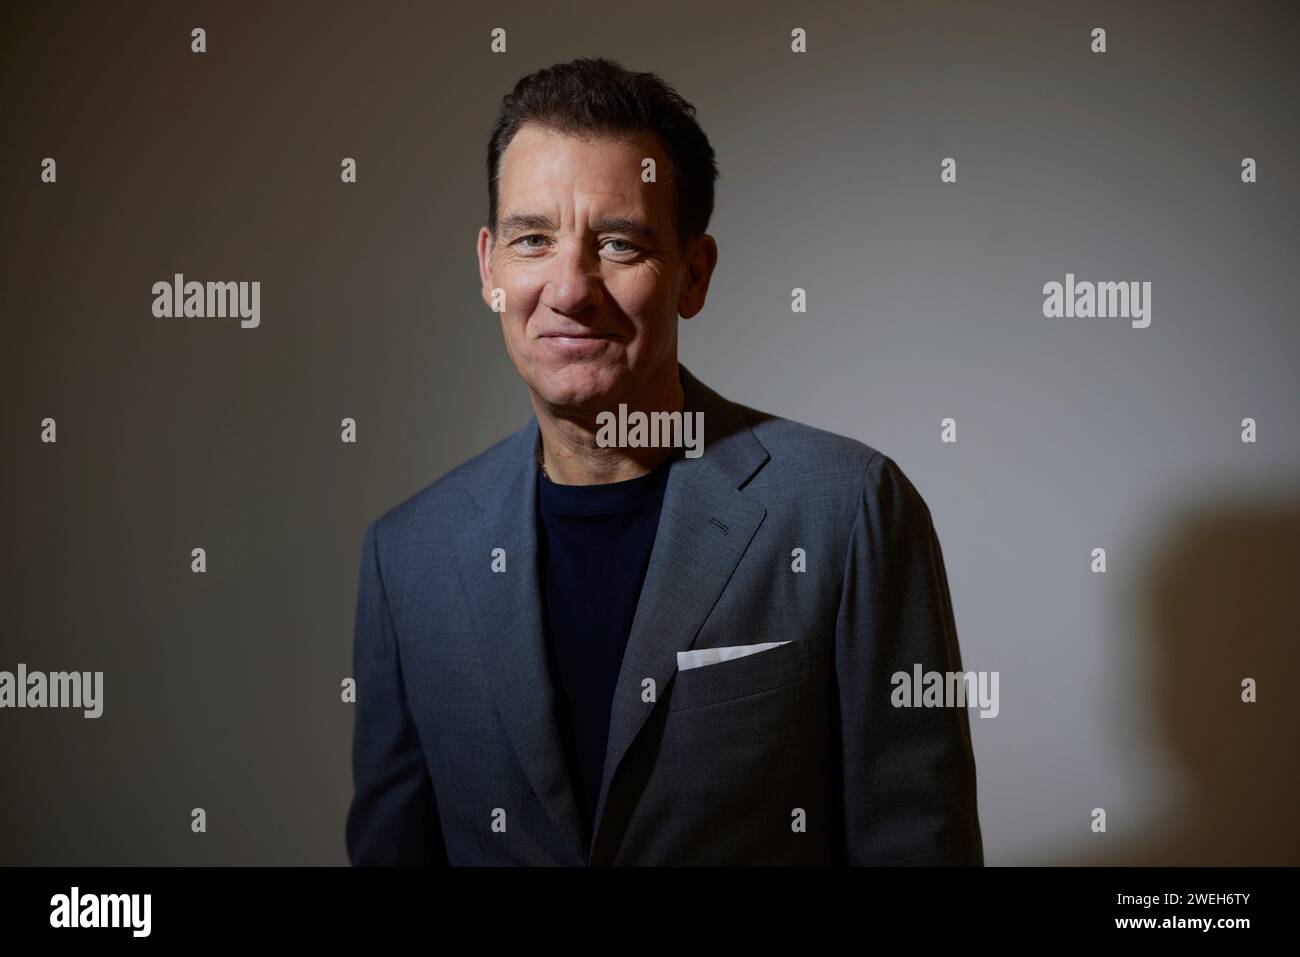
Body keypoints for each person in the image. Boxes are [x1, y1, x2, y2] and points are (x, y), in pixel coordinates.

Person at [346, 56, 983, 865]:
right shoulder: (407, 557)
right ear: (489, 269)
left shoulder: (847, 511)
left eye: (618, 244)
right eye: (532, 240)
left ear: (694, 273)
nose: (570, 288)